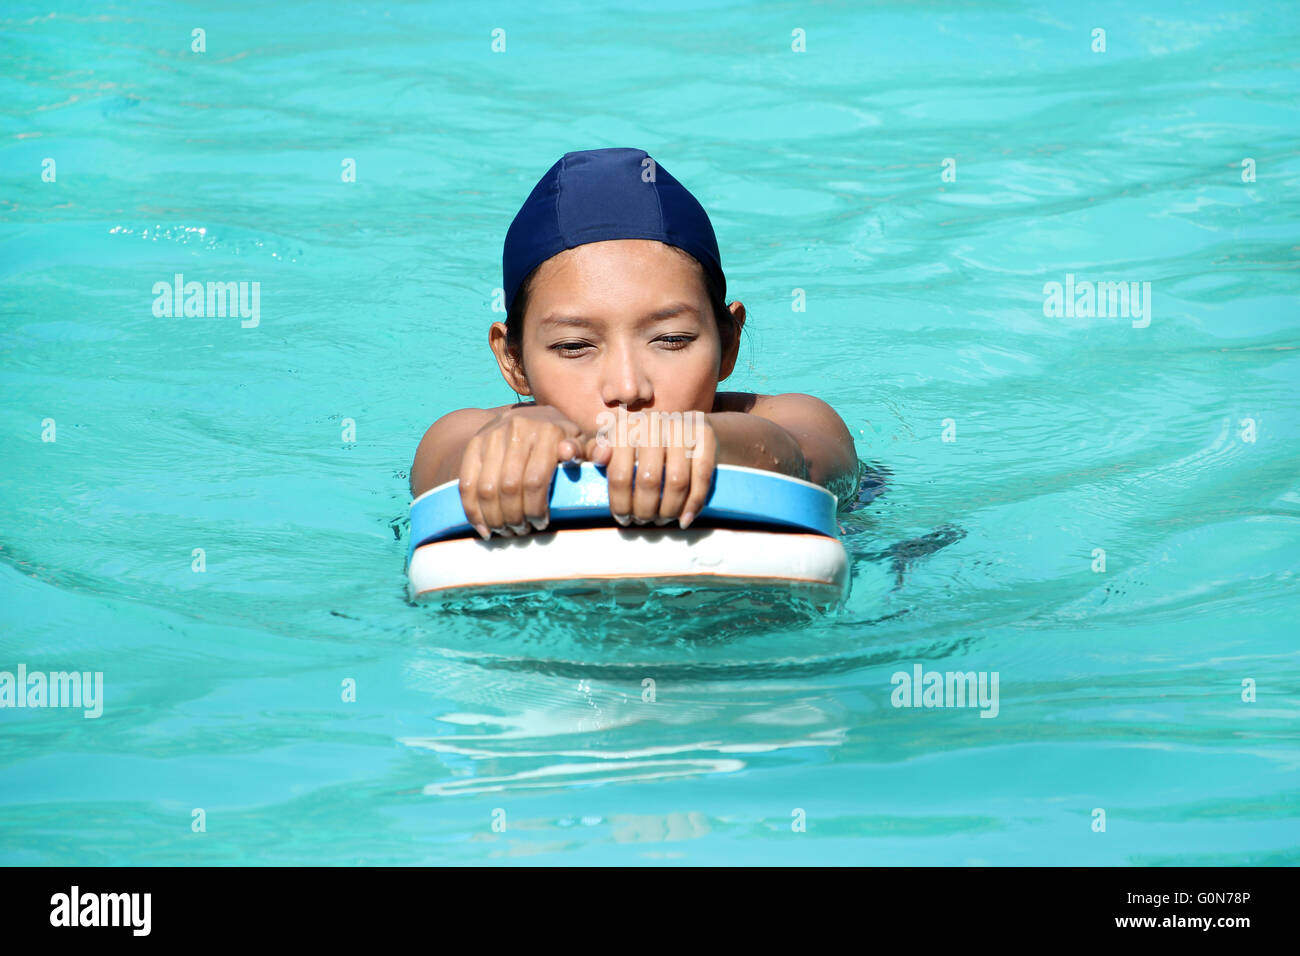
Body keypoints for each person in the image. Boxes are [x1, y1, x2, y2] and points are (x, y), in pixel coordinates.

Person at [410, 147, 859, 540]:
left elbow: (806, 458)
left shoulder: (786, 417)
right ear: (513, 361)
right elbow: (440, 468)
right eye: (572, 346)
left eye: (671, 339)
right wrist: (496, 453)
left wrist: (707, 442)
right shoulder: (473, 432)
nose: (627, 387)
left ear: (728, 341)